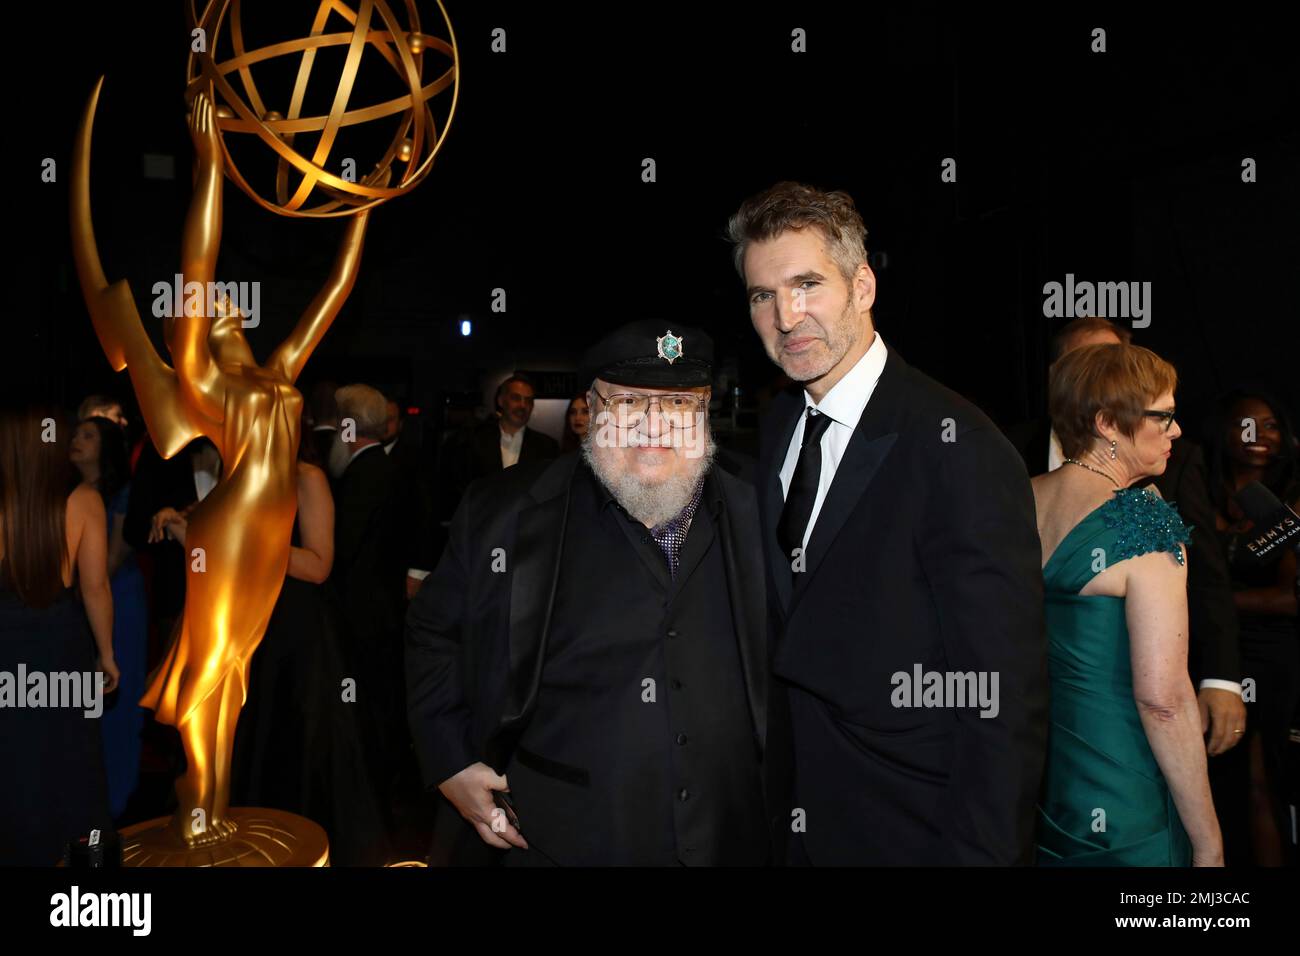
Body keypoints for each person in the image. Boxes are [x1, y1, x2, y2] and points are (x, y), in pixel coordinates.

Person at [728, 181, 1048, 864]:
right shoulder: (781, 423)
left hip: (914, 828)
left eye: (808, 283)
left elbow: (1002, 695)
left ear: (863, 286)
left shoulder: (957, 444)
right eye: (763, 295)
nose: (787, 316)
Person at [407, 320, 775, 866]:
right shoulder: (501, 513)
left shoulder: (767, 504)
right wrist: (449, 761)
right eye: (628, 401)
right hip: (556, 839)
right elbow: (433, 632)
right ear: (592, 410)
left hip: (736, 835)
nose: (654, 425)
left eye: (678, 404)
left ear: (704, 414)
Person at [1004, 316, 1246, 761]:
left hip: (1118, 728)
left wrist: (1221, 678)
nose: (1174, 429)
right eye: (1090, 362)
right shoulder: (1005, 455)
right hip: (1030, 725)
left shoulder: (1174, 465)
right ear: (1059, 375)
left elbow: (1209, 578)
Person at [159, 411, 393, 865]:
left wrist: (251, 543)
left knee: (294, 738)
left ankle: (303, 847)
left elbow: (319, 564)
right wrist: (181, 525)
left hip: (295, 629)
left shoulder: (307, 477)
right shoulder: (239, 478)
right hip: (244, 624)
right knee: (244, 736)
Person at [1033, 343, 1222, 865]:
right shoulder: (1144, 523)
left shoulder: (1020, 498)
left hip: (1045, 787)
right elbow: (1164, 701)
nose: (1176, 431)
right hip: (1127, 792)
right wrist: (1209, 843)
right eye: (1162, 417)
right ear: (1108, 424)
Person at [0, 405, 117, 864]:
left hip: (7, 651)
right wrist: (107, 655)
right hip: (62, 648)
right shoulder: (85, 501)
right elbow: (95, 587)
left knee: (13, 761)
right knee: (73, 764)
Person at [1205, 387, 1299, 866]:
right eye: (1247, 425)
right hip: (1205, 654)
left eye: (1271, 426)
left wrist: (1215, 604)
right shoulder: (1197, 492)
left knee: (1261, 778)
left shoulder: (1290, 505)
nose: (1258, 436)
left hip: (1269, 656)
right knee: (1210, 778)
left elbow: (1291, 597)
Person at [70, 415, 148, 820]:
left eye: (88, 436)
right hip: (83, 601)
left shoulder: (121, 493)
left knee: (117, 701)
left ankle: (117, 800)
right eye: (76, 433)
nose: (77, 441)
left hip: (118, 601)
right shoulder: (66, 493)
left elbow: (111, 562)